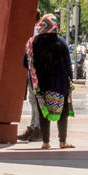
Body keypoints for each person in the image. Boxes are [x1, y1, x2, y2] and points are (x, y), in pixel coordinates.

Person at [30, 13, 75, 149]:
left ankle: (45, 142)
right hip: (61, 85)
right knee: (63, 113)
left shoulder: (34, 42)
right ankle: (62, 142)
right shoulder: (60, 41)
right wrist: (70, 80)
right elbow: (68, 64)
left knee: (44, 112)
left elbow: (26, 62)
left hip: (41, 84)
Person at [18, 10, 44, 142]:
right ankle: (34, 126)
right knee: (33, 100)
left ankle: (37, 128)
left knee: (36, 100)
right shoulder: (35, 31)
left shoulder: (36, 31)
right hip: (32, 71)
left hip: (35, 72)